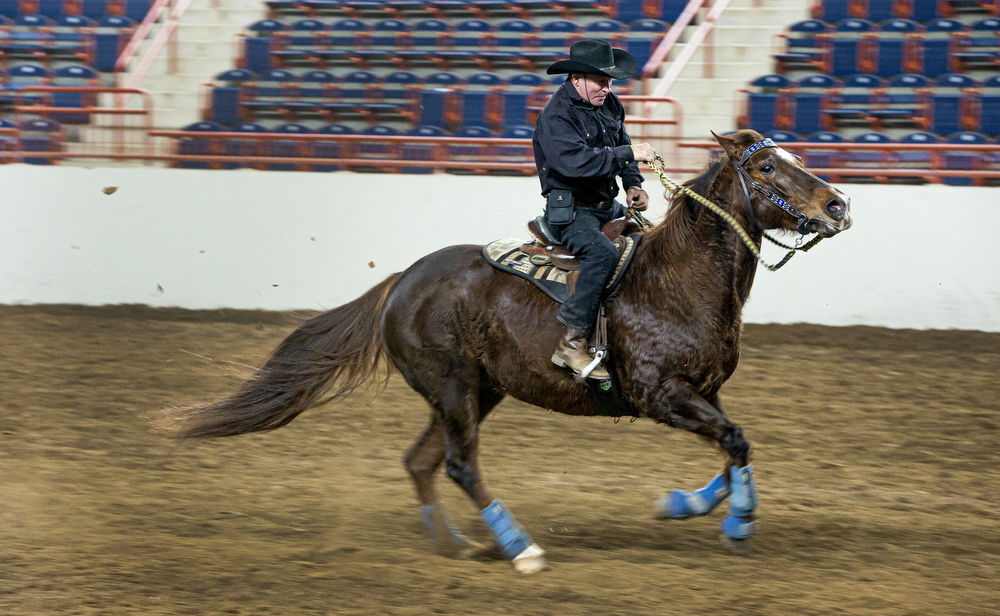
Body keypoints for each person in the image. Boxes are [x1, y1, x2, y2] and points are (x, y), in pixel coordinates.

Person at [532, 38, 658, 381]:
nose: (607, 88)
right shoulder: (556, 116)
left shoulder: (610, 104)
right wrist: (629, 158)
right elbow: (577, 164)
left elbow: (621, 142)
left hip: (606, 205)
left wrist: (634, 183)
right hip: (572, 210)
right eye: (600, 81)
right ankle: (571, 342)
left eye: (609, 81)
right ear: (577, 79)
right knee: (602, 255)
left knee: (651, 243)